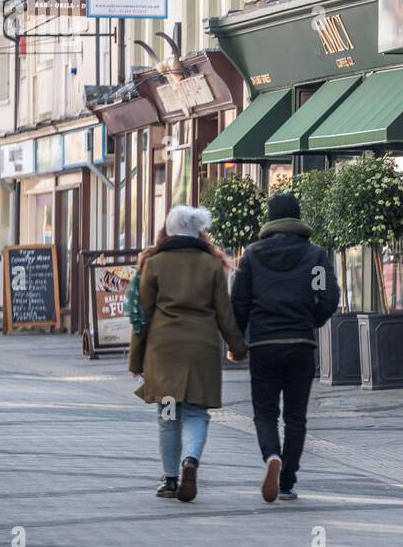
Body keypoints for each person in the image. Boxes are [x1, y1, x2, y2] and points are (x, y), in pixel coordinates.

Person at [129, 208, 246, 503]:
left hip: (164, 352)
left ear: (167, 229)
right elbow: (224, 312)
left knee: (168, 416)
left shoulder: (154, 264)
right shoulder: (211, 265)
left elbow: (141, 316)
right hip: (201, 351)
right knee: (196, 412)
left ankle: (169, 481)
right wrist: (237, 346)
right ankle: (190, 461)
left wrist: (135, 358)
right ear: (198, 232)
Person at [231, 192, 340, 504]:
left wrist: (237, 341)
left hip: (264, 344)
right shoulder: (315, 255)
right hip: (301, 345)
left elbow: (238, 302)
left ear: (270, 218)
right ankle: (288, 480)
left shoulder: (252, 255)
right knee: (296, 417)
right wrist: (311, 320)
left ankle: (271, 458)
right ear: (297, 217)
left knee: (265, 412)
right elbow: (329, 297)